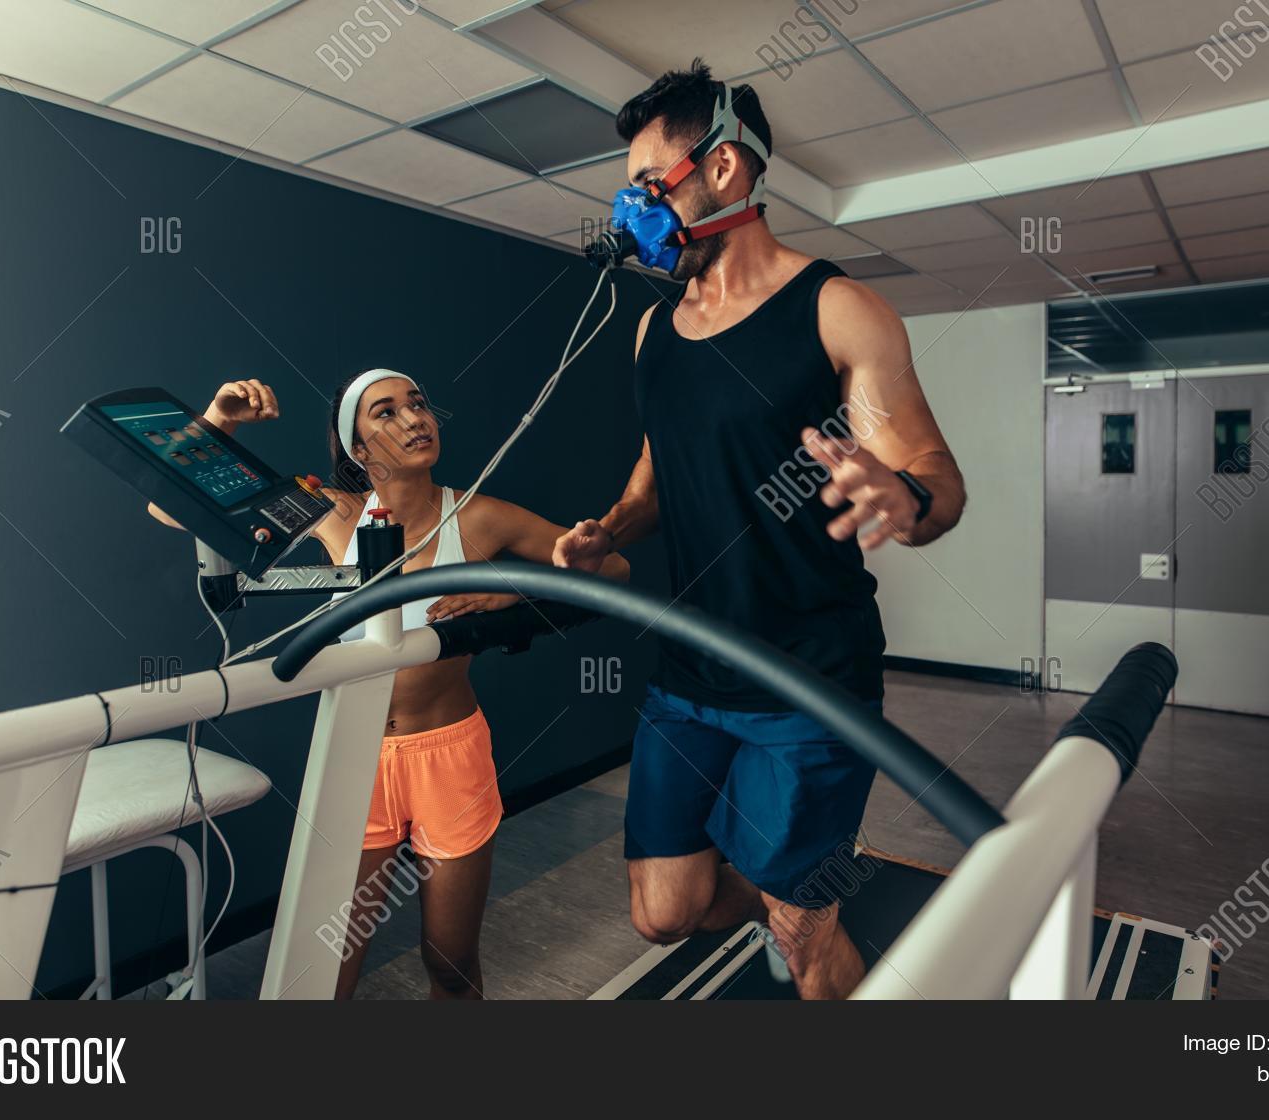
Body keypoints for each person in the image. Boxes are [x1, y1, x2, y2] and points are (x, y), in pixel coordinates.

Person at [553, 62, 966, 999]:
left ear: (726, 170)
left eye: (651, 187)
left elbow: (939, 476)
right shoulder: (652, 334)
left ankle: (805, 913)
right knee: (663, 912)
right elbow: (657, 477)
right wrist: (609, 527)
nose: (633, 215)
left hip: (811, 678)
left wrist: (905, 499)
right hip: (694, 670)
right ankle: (794, 888)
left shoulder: (835, 310)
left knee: (802, 935)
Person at [150, 371, 628, 999]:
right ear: (358, 448)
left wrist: (506, 591)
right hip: (359, 755)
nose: (412, 419)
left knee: (450, 961)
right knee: (329, 968)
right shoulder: (329, 507)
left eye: (418, 404)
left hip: (450, 753)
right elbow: (169, 504)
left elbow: (613, 568)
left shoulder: (479, 516)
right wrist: (219, 416)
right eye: (385, 412)